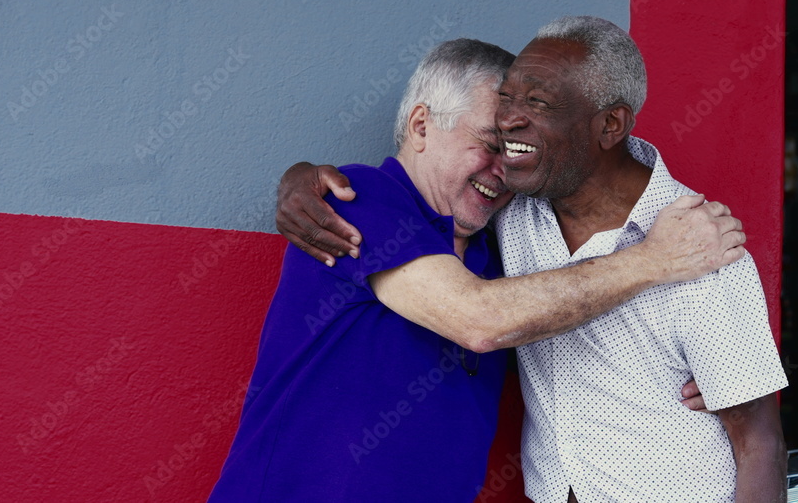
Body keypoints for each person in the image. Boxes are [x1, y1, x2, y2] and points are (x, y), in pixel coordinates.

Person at [210, 38, 746, 502]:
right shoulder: (357, 199)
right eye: (491, 146)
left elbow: (557, 324)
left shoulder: (499, 249)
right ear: (422, 124)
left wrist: (722, 368)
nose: (503, 171)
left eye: (515, 154)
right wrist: (657, 259)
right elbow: (481, 321)